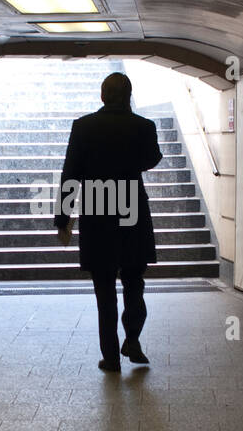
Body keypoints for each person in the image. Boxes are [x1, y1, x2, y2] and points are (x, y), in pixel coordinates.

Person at [54, 72, 162, 373]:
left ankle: (111, 356)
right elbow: (152, 159)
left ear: (102, 96)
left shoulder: (84, 127)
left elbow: (70, 174)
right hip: (132, 212)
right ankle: (133, 338)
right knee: (134, 282)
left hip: (98, 213)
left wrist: (63, 218)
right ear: (129, 95)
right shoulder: (144, 127)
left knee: (104, 289)